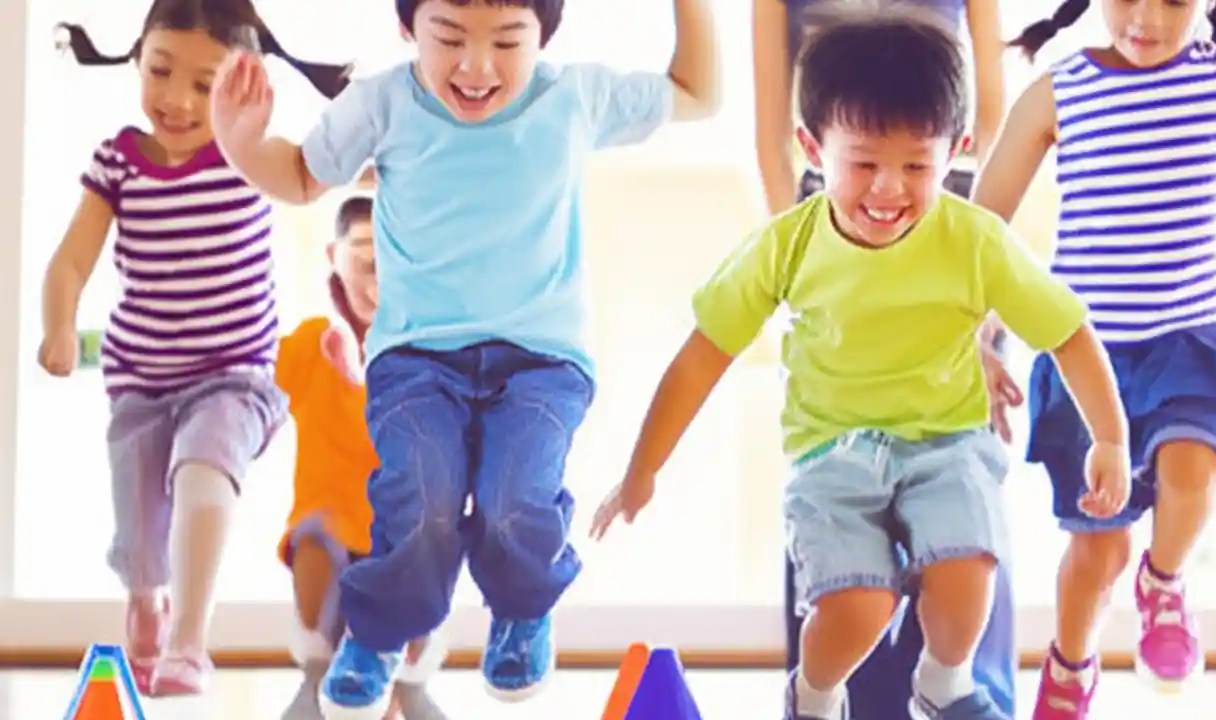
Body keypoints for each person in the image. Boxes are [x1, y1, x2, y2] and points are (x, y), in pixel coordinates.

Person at [592, 10, 1130, 720]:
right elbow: (702, 356)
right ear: (813, 147)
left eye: (916, 166)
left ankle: (945, 685)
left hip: (947, 445)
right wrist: (643, 469)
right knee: (860, 603)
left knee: (969, 573)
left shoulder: (975, 241)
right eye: (864, 164)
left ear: (955, 150)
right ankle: (813, 698)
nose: (888, 190)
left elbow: (1067, 332)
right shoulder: (788, 245)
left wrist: (1110, 437)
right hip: (832, 454)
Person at [207, 0, 721, 716]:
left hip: (542, 359)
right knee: (422, 500)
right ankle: (382, 634)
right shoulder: (382, 103)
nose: (475, 66)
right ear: (407, 29)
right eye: (447, 38)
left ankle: (520, 611)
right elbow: (298, 177)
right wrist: (239, 142)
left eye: (508, 41)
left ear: (545, 36)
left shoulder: (574, 96)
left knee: (517, 496)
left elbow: (698, 95)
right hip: (416, 357)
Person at [972, 1, 1216, 716]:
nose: (1145, 16)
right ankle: (1070, 665)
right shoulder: (1059, 89)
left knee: (1192, 468)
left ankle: (1164, 583)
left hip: (1186, 337)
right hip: (1087, 356)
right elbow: (982, 232)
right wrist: (981, 340)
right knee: (1098, 555)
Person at [37, 0, 349, 697]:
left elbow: (323, 176)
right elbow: (71, 261)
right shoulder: (118, 161)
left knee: (203, 469)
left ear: (242, 83)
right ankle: (148, 604)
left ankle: (188, 643)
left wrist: (396, 164)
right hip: (141, 384)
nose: (176, 101)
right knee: (143, 545)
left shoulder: (247, 153)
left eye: (205, 85)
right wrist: (60, 324)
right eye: (160, 71)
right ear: (138, 60)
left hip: (234, 377)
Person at [751, 1, 1018, 716]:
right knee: (839, 525)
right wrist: (806, 280)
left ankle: (959, 694)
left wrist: (980, 319)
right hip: (840, 242)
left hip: (946, 237)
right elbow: (773, 138)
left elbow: (990, 126)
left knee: (963, 518)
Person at [275, 193, 448, 720]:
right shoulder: (311, 346)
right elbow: (247, 387)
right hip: (327, 536)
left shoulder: (436, 352)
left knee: (405, 671)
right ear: (335, 257)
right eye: (365, 259)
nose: (377, 278)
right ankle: (323, 677)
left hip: (405, 540)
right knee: (317, 546)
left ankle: (402, 685)